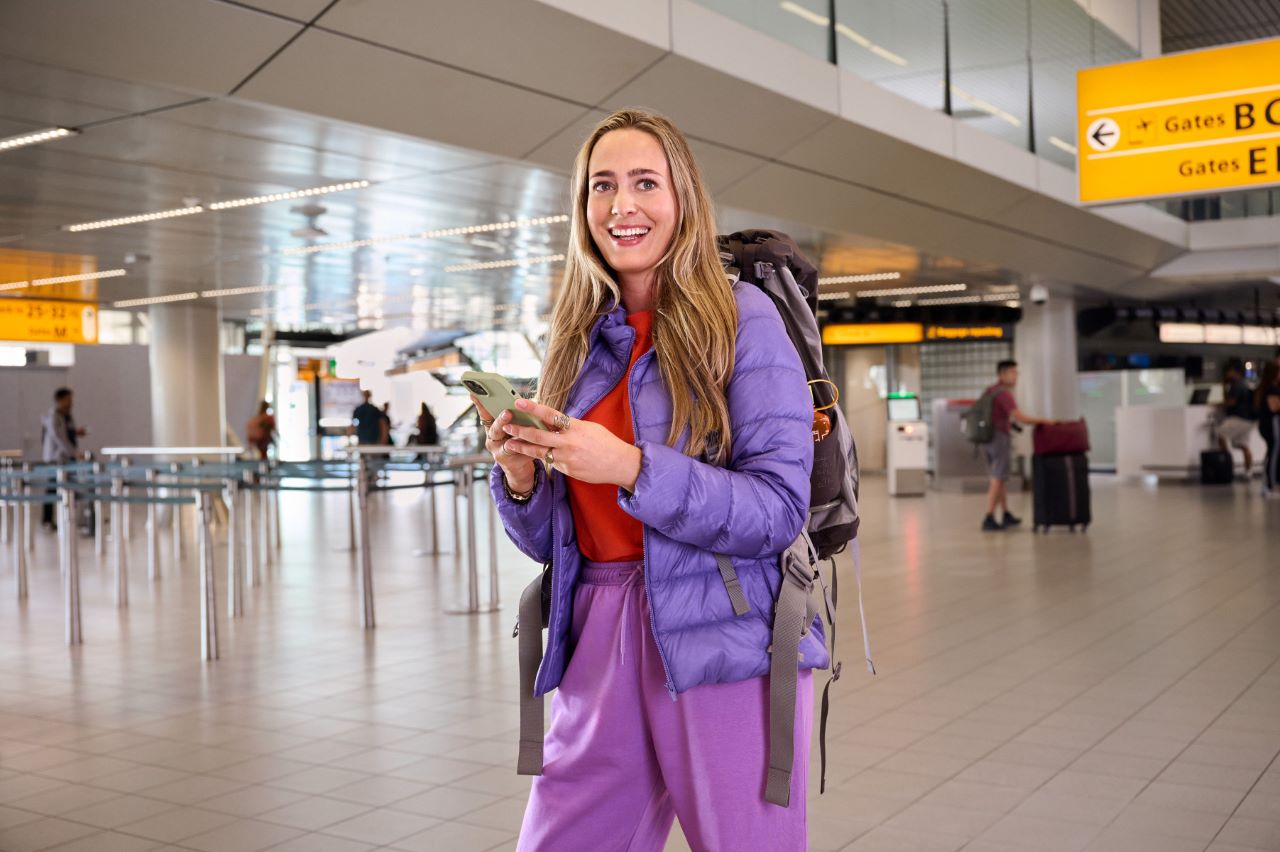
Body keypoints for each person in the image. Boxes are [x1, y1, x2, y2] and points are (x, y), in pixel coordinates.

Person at [474, 109, 817, 851]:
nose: (622, 206)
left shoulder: (742, 321)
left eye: (643, 183)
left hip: (724, 633)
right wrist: (524, 476)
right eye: (602, 186)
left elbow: (778, 509)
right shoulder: (576, 340)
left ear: (683, 197)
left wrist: (630, 466)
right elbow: (555, 541)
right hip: (598, 630)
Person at [980, 360, 1054, 531]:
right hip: (999, 438)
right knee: (997, 477)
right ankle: (989, 516)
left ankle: (1006, 513)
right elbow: (1020, 417)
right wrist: (1044, 421)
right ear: (1003, 374)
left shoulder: (990, 391)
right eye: (1013, 372)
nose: (1016, 376)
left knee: (1000, 477)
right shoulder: (1004, 394)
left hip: (987, 438)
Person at [40, 387, 85, 528]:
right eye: (68, 400)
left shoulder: (66, 415)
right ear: (59, 400)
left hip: (66, 458)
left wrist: (76, 433)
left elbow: (67, 433)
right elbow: (59, 438)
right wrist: (75, 453)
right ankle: (47, 520)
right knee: (52, 488)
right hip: (55, 459)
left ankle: (72, 517)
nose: (71, 402)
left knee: (70, 486)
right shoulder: (54, 416)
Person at [1217, 357, 1257, 477]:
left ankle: (1227, 464)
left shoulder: (1237, 385)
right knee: (1242, 444)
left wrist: (1223, 389)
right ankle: (1248, 471)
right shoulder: (1244, 383)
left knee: (1221, 434)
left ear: (1233, 371)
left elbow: (1230, 402)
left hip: (1240, 418)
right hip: (1250, 420)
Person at [1257, 360, 1280, 498]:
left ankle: (1271, 483)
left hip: (1273, 425)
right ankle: (1270, 485)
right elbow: (1274, 407)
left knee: (1274, 453)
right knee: (1274, 453)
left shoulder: (1273, 388)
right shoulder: (1270, 389)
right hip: (1271, 426)